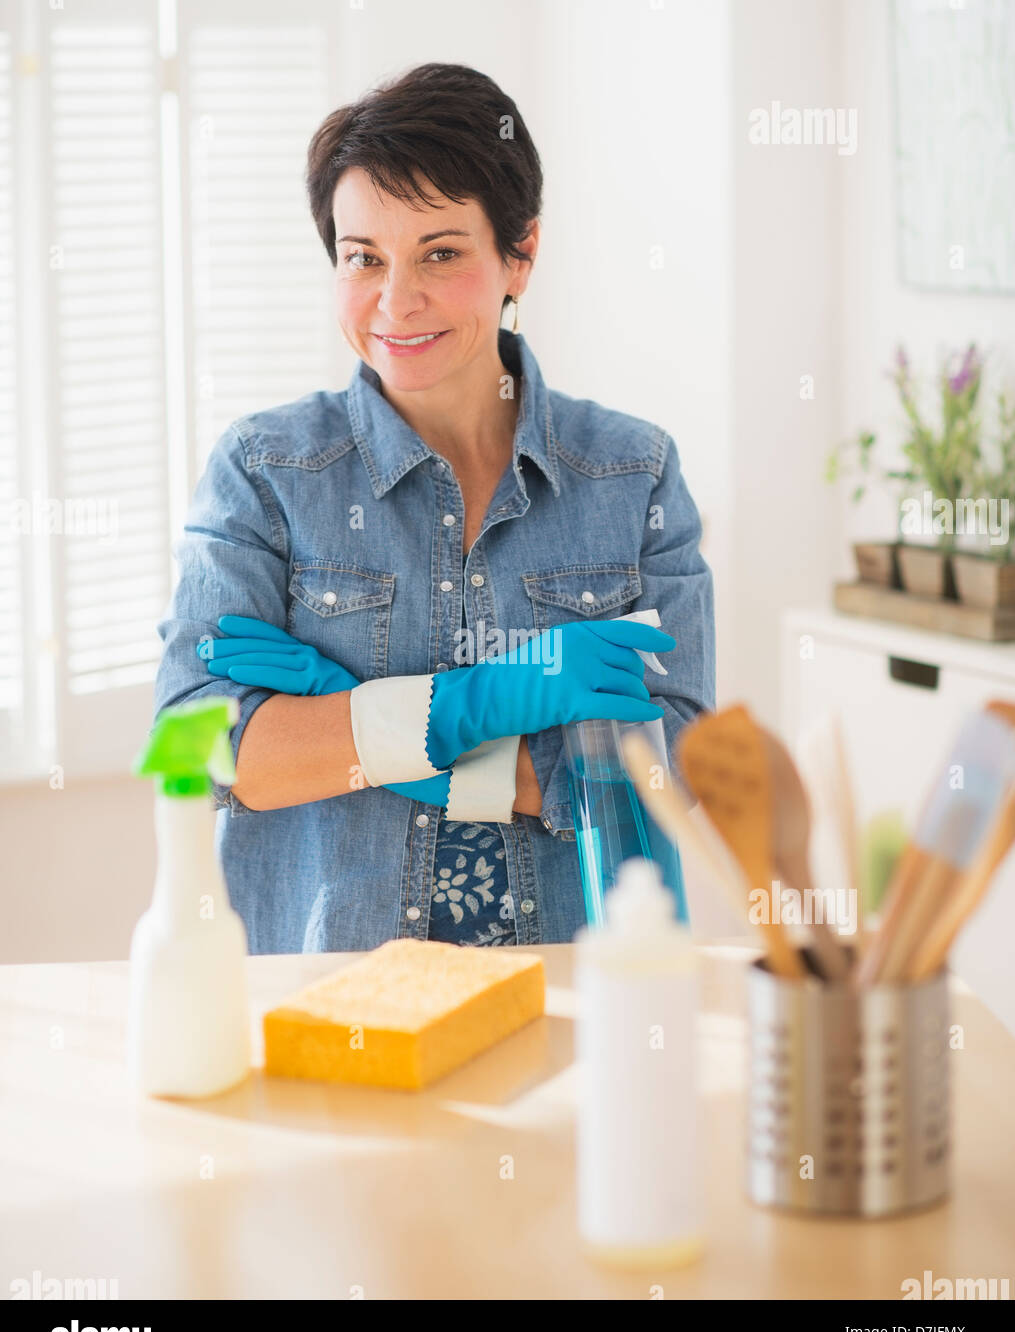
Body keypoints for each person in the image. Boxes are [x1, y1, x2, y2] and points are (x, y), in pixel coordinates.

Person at [153, 61, 715, 954]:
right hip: (327, 1005)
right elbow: (201, 750)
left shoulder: (631, 474)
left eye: (440, 253)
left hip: (575, 1002)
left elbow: (678, 769)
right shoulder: (264, 471)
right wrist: (490, 701)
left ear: (519, 253)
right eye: (362, 258)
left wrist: (349, 718)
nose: (395, 300)